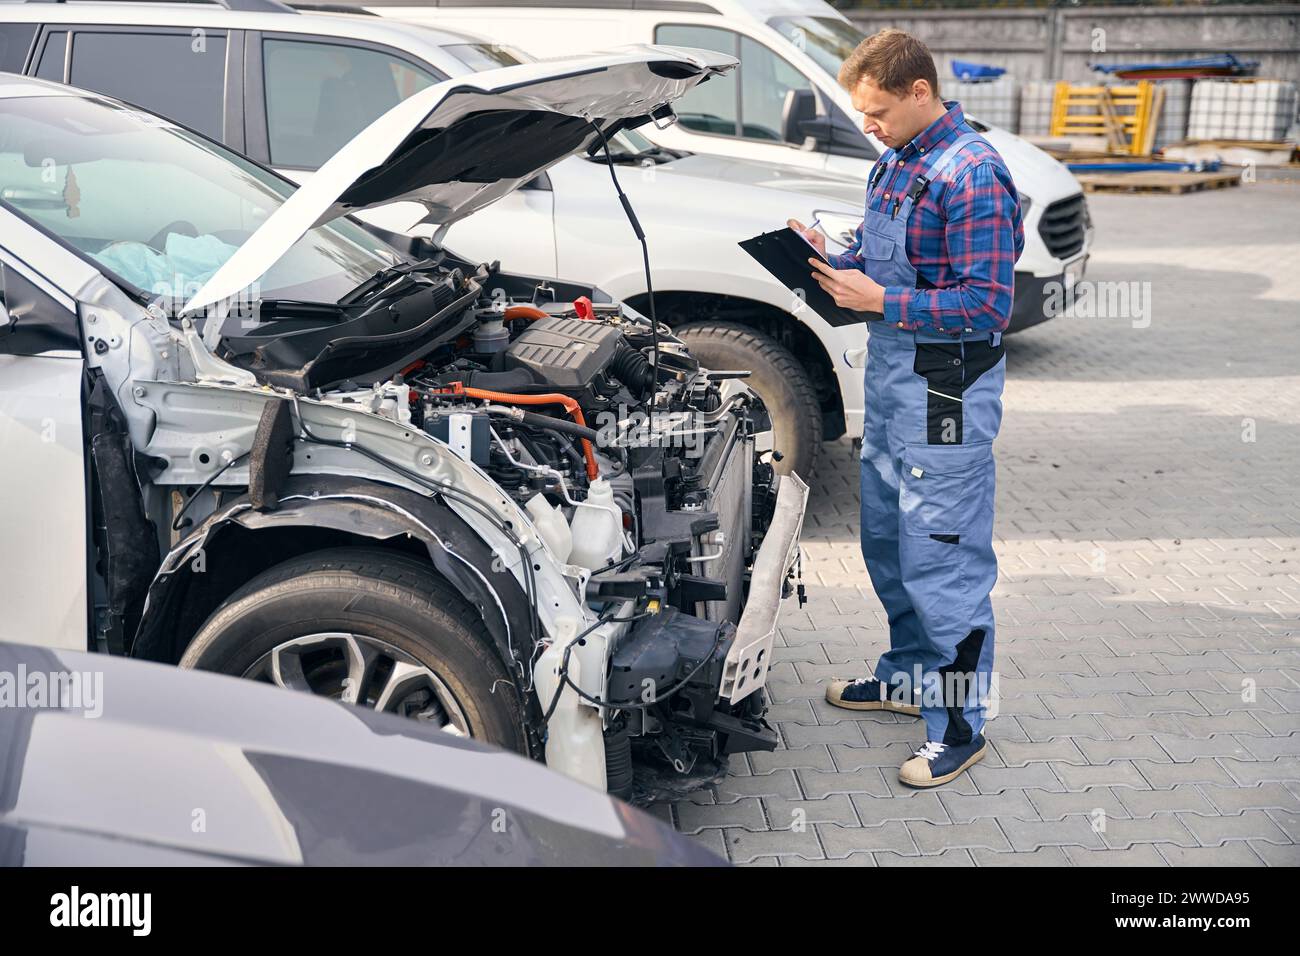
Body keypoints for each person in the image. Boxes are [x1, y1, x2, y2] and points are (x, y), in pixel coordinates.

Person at [788, 29, 1024, 788]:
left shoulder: (973, 173)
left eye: (880, 111)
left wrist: (882, 299)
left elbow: (989, 301)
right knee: (889, 542)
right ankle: (906, 678)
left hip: (948, 386)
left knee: (943, 558)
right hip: (894, 379)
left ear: (921, 92)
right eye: (864, 114)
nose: (870, 126)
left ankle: (960, 724)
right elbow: (893, 258)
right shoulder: (897, 160)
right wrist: (828, 255)